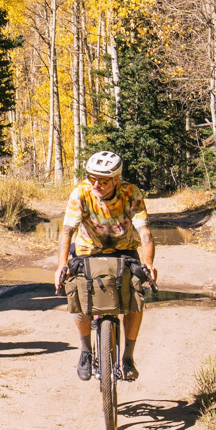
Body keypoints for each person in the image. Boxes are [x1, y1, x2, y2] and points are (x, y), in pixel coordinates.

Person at [54, 150, 157, 381]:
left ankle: (128, 357)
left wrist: (148, 263)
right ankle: (85, 351)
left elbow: (145, 232)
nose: (96, 184)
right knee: (77, 292)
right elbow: (67, 231)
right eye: (92, 178)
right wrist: (61, 265)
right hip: (87, 250)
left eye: (102, 180)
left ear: (116, 179)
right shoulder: (81, 192)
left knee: (134, 295)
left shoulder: (131, 193)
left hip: (124, 249)